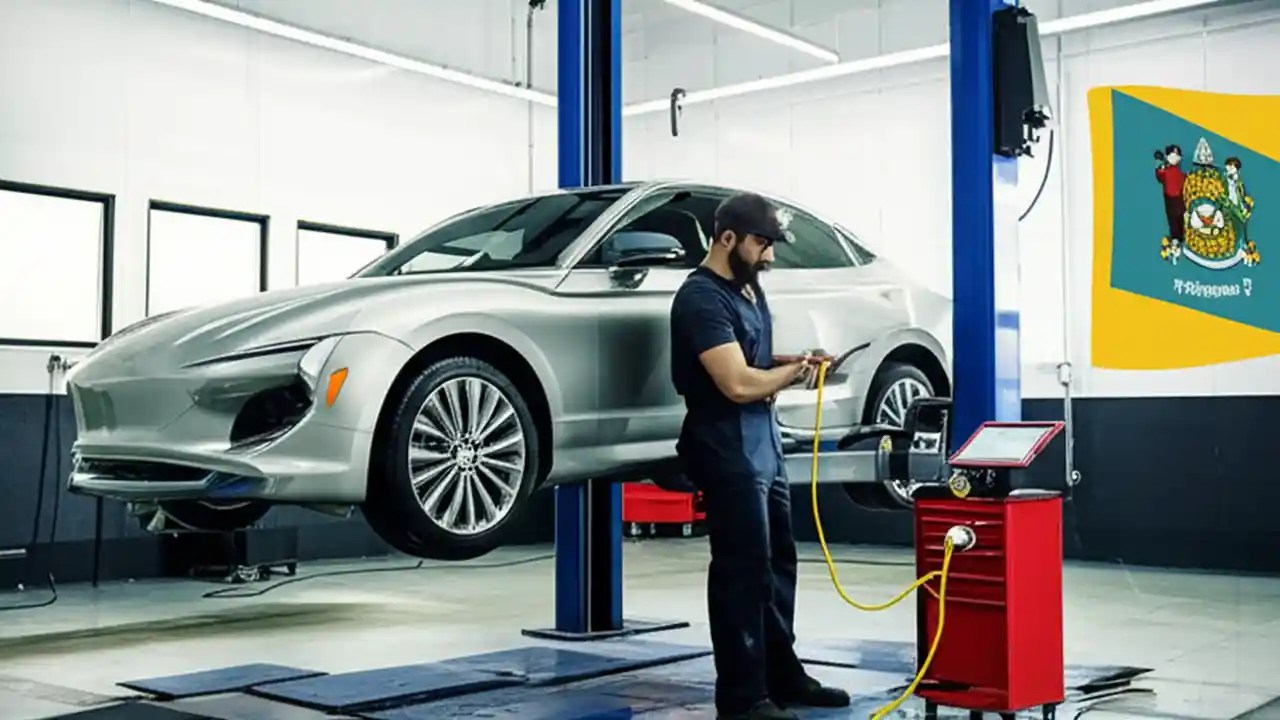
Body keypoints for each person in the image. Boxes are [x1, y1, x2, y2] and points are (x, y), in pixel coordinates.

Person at [669, 192, 851, 720]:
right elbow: (736, 382)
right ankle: (742, 697)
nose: (769, 255)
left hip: (762, 441)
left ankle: (781, 676)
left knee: (777, 562)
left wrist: (793, 361)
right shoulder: (701, 298)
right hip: (725, 442)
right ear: (727, 238)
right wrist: (790, 375)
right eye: (761, 243)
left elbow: (748, 357)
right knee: (742, 570)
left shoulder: (747, 288)